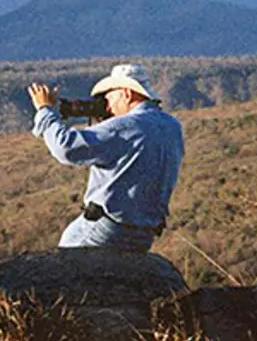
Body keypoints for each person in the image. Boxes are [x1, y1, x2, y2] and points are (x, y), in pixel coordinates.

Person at [28, 63, 183, 252]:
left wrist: (45, 111)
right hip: (145, 235)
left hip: (107, 230)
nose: (107, 106)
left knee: (64, 265)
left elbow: (66, 148)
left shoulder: (126, 126)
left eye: (109, 96)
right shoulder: (172, 126)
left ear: (126, 94)